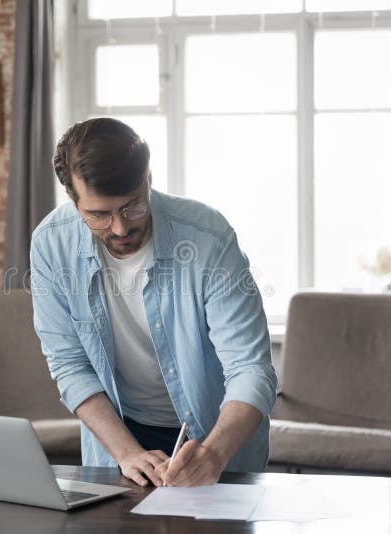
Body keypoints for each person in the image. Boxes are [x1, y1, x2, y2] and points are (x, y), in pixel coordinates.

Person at [30, 118, 276, 488]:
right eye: (99, 215)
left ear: (148, 178)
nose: (119, 228)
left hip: (215, 436)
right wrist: (126, 452)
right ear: (73, 199)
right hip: (120, 442)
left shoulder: (208, 236)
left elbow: (250, 368)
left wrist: (215, 453)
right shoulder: (51, 244)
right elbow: (70, 364)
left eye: (132, 207)